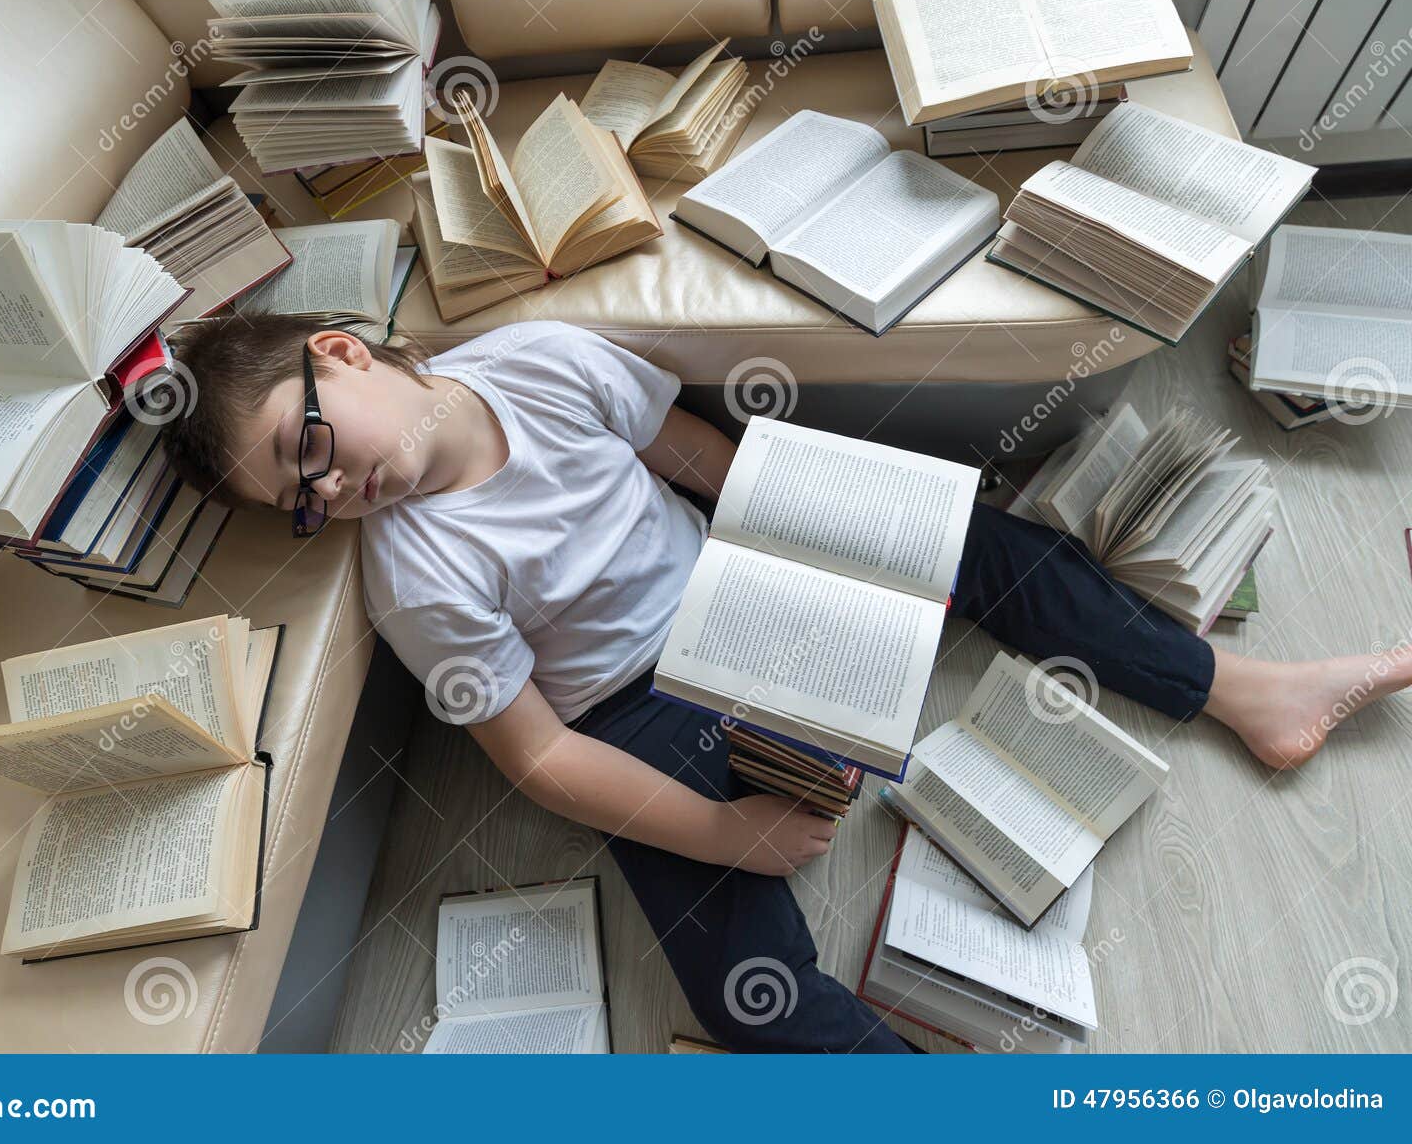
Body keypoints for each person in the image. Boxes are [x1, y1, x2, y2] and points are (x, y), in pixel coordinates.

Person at [162, 316, 1412, 1053]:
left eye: (307, 450)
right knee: (744, 995)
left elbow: (702, 459)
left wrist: (835, 532)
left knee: (971, 537)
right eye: (300, 507)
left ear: (342, 355)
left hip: (743, 595)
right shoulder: (415, 577)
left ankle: (1241, 688)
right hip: (636, 719)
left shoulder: (539, 362)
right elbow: (541, 761)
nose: (329, 491)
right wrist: (722, 831)